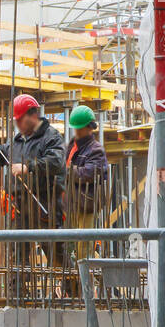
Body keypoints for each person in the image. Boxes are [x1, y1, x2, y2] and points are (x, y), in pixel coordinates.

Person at [0, 94, 66, 291]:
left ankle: (72, 289)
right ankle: (17, 296)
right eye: (15, 121)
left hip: (44, 202)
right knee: (17, 253)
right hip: (19, 203)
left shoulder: (51, 136)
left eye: (19, 120)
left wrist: (28, 167)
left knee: (55, 250)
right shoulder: (18, 139)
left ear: (33, 115)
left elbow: (57, 162)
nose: (17, 124)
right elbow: (3, 156)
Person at [61, 104, 110, 272]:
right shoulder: (73, 145)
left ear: (89, 128)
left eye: (79, 129)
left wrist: (69, 172)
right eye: (75, 129)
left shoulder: (96, 149)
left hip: (86, 205)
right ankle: (72, 285)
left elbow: (92, 173)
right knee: (69, 246)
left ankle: (84, 287)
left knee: (83, 249)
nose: (77, 132)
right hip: (71, 203)